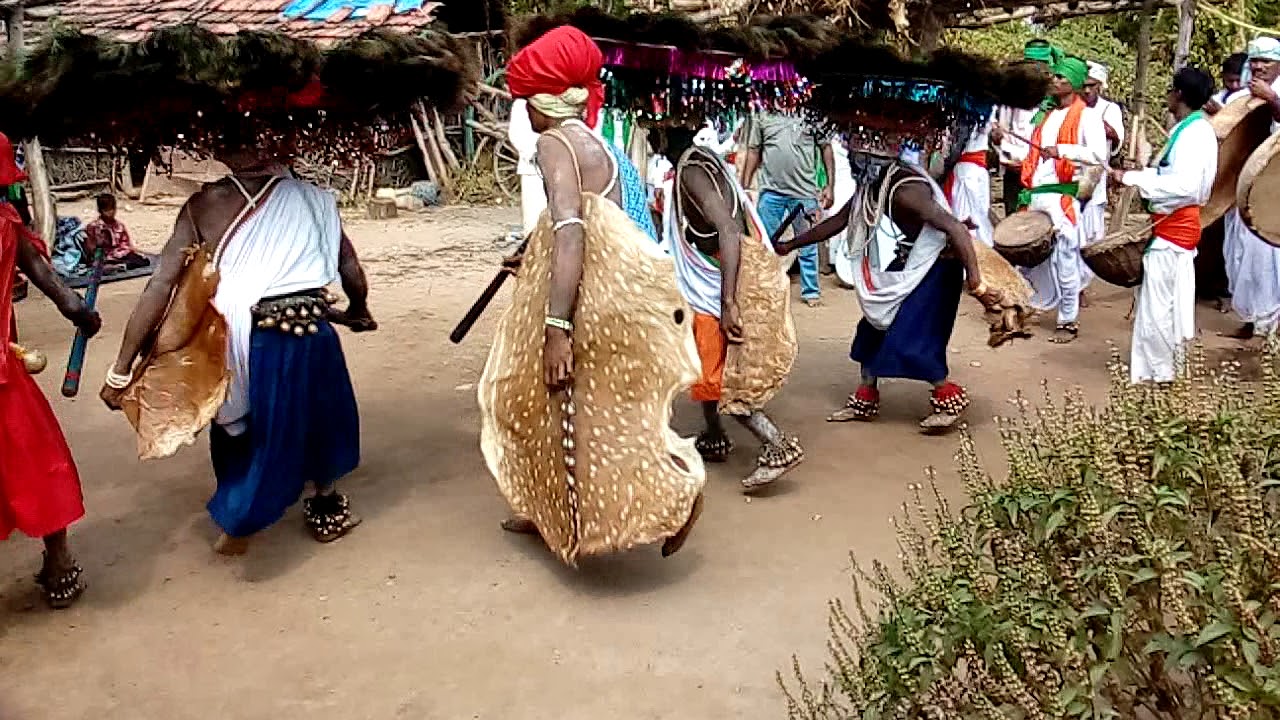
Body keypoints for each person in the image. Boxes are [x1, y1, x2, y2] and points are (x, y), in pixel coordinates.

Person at [479, 26, 705, 564]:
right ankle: (546, 511)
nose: (523, 111)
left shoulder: (553, 145)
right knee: (573, 412)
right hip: (612, 301)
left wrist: (557, 329)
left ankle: (679, 490)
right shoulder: (597, 143)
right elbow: (597, 226)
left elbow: (573, 232)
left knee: (549, 408)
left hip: (584, 308)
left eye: (525, 101)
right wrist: (531, 256)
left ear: (544, 101)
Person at [100, 143, 376, 556]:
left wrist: (121, 369)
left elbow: (161, 284)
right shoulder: (313, 198)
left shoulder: (203, 205)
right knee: (320, 416)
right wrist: (358, 308)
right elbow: (349, 267)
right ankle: (319, 503)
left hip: (233, 337)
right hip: (305, 328)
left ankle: (239, 498)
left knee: (242, 425)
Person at [778, 148, 998, 433]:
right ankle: (865, 398)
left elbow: (956, 229)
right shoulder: (873, 185)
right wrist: (791, 244)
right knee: (872, 331)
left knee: (912, 337)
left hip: (938, 267)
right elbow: (838, 222)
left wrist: (977, 284)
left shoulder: (905, 189)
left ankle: (949, 399)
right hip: (912, 260)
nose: (853, 162)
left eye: (858, 157)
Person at [653, 124, 803, 490]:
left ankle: (777, 444)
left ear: (662, 133)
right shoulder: (699, 161)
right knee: (710, 358)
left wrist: (729, 301)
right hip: (717, 276)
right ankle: (714, 433)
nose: (648, 136)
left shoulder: (692, 170)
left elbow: (728, 229)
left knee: (721, 373)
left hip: (720, 279)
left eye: (651, 129)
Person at [0, 136, 102, 608]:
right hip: (3, 375)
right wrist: (84, 316)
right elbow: (61, 293)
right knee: (39, 463)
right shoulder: (7, 226)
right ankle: (59, 565)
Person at [1112, 67, 1217, 382]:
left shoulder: (1196, 133)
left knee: (1160, 307)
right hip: (1171, 227)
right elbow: (1169, 177)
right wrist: (1136, 175)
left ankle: (1160, 374)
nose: (1167, 95)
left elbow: (1185, 187)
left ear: (1179, 94)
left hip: (1174, 230)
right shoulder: (1189, 128)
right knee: (1161, 304)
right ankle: (1159, 369)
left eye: (1171, 90)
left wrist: (1132, 179)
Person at [1018, 55, 1108, 344]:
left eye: (1061, 77)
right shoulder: (1045, 115)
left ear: (1076, 83)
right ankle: (1030, 306)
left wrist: (1063, 150)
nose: (1055, 81)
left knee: (1064, 258)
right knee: (1029, 258)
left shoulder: (1088, 117)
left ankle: (1067, 320)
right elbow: (1032, 157)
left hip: (1062, 197)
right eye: (1055, 76)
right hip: (1037, 195)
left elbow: (1098, 156)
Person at [741, 112, 835, 307]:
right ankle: (765, 289)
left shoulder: (811, 113)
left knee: (808, 244)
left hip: (804, 192)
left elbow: (826, 147)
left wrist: (830, 186)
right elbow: (754, 151)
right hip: (771, 192)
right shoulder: (763, 114)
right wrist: (744, 187)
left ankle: (811, 291)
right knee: (765, 245)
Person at [1222, 37, 1280, 340]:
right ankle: (1253, 318)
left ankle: (1269, 323)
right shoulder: (1242, 96)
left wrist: (1272, 100)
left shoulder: (1273, 93)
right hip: (1245, 186)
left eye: (1266, 61)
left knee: (1270, 255)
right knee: (1242, 254)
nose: (1258, 67)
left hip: (1274, 188)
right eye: (1255, 61)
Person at [993, 40, 1056, 216]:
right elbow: (998, 132)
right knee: (1013, 216)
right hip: (1013, 166)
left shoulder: (1053, 103)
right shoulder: (1006, 99)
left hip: (1040, 171)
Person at [1079, 61, 1126, 293]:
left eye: (1092, 85)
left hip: (1096, 175)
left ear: (1100, 86)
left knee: (1092, 230)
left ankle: (1084, 284)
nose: (1087, 90)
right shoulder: (1073, 108)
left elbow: (1117, 140)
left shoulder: (1109, 109)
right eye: (1084, 86)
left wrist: (1095, 124)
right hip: (1072, 174)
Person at [943, 111, 995, 247]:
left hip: (975, 170)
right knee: (967, 218)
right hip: (966, 172)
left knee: (979, 216)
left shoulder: (986, 110)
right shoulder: (967, 113)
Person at [510, 98, 546, 237]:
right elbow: (516, 134)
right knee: (533, 221)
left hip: (561, 169)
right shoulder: (522, 104)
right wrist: (533, 154)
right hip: (532, 169)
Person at [85, 193, 148, 269]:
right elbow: (91, 248)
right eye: (107, 210)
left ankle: (119, 266)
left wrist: (126, 251)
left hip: (120, 254)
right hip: (104, 256)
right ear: (100, 210)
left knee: (144, 260)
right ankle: (113, 266)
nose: (111, 212)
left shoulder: (119, 225)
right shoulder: (93, 227)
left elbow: (125, 243)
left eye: (112, 209)